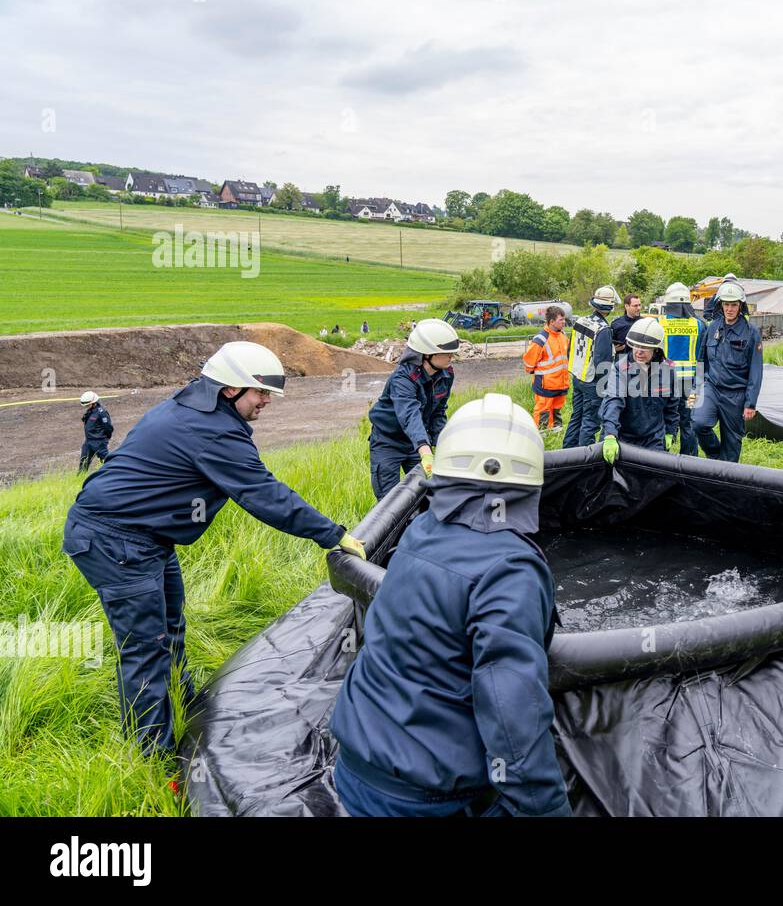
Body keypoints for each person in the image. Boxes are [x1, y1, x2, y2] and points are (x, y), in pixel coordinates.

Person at [62, 342, 365, 755]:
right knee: (145, 650)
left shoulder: (192, 407)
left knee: (170, 631)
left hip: (145, 537)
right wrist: (333, 534)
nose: (266, 402)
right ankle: (153, 758)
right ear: (229, 390)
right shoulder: (211, 430)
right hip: (115, 541)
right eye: (260, 393)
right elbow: (264, 495)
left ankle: (186, 711)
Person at [331, 393, 570, 817]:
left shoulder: (421, 529)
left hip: (354, 767)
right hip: (422, 799)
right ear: (530, 478)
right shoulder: (510, 570)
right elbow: (513, 721)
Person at [367, 318, 460, 499]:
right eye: (447, 352)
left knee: (428, 495)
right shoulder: (403, 379)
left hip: (417, 441)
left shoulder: (446, 374)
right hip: (389, 442)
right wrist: (425, 451)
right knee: (389, 502)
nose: (451, 356)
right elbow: (409, 414)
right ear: (427, 353)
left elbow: (438, 413)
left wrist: (444, 445)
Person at [693, 280, 762, 462]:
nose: (729, 309)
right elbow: (701, 360)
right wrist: (695, 390)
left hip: (736, 395)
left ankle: (724, 476)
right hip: (712, 388)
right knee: (698, 423)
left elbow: (756, 370)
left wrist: (750, 403)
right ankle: (715, 455)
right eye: (726, 304)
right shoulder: (712, 327)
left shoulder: (751, 332)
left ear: (741, 306)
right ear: (720, 305)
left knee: (732, 447)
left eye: (733, 305)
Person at [599, 318, 681, 463]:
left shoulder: (668, 370)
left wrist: (670, 432)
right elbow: (613, 400)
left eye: (644, 347)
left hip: (653, 438)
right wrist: (610, 435)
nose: (638, 351)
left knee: (654, 479)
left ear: (657, 348)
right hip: (623, 438)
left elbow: (672, 406)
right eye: (635, 345)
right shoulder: (621, 368)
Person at [564, 284, 618, 448]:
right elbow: (602, 362)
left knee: (576, 417)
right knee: (590, 422)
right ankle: (583, 460)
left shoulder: (580, 321)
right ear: (609, 308)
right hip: (592, 382)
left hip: (577, 376)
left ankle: (567, 452)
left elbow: (571, 349)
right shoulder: (603, 329)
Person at [659, 282, 705, 455]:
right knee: (689, 423)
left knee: (663, 420)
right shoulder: (700, 325)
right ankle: (689, 461)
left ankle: (660, 459)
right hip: (691, 385)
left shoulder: (659, 323)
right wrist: (699, 385)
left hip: (664, 384)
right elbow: (702, 359)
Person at [523, 305, 570, 430]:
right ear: (551, 322)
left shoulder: (563, 336)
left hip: (561, 383)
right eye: (561, 320)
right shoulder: (541, 339)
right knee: (543, 411)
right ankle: (541, 437)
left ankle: (556, 433)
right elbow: (529, 362)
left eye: (564, 319)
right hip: (546, 384)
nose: (564, 322)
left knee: (556, 410)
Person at [78, 391, 113, 472]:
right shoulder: (89, 412)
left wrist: (104, 439)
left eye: (88, 404)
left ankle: (115, 474)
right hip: (88, 442)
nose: (86, 406)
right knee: (83, 462)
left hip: (99, 442)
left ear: (94, 402)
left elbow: (108, 428)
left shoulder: (102, 413)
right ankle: (80, 479)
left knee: (107, 461)